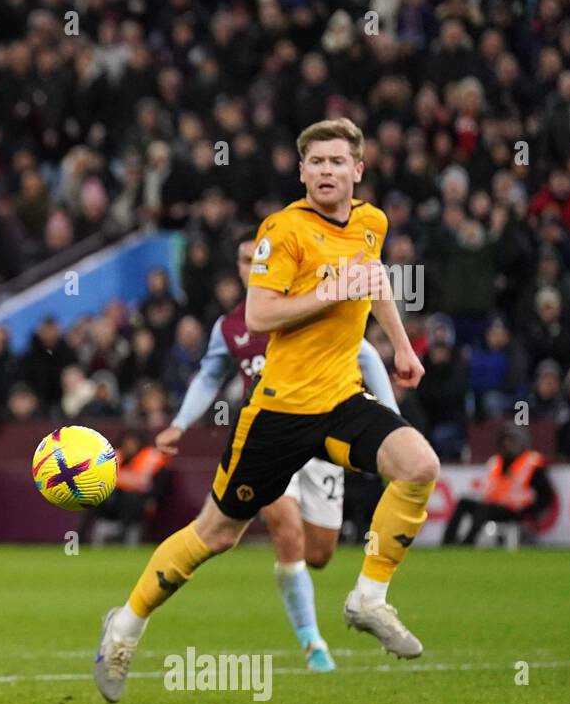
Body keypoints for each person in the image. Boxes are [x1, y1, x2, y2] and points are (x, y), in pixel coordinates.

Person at [95, 118, 440, 703]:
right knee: (216, 534)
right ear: (302, 172)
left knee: (419, 466)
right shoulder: (282, 232)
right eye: (316, 162)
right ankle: (125, 626)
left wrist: (401, 346)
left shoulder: (371, 222)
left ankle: (368, 600)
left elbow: (374, 275)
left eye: (338, 161)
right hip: (279, 414)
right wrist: (327, 294)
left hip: (340, 399)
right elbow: (258, 316)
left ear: (358, 171)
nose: (327, 171)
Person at [156, 231, 400, 671]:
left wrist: (393, 419)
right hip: (268, 438)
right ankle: (314, 645)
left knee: (320, 552)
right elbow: (210, 376)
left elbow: (365, 356)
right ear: (238, 268)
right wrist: (179, 423)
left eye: (258, 258)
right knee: (285, 528)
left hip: (323, 433)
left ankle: (301, 591)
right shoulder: (231, 326)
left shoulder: (307, 308)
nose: (253, 266)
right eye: (245, 259)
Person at [441, 424, 553, 545]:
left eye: (512, 440)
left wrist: (531, 512)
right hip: (494, 504)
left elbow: (546, 495)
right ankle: (447, 542)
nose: (508, 444)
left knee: (484, 509)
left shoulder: (531, 464)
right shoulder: (496, 461)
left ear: (522, 442)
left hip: (515, 510)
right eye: (506, 440)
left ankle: (468, 542)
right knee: (463, 502)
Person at [82, 429, 171, 545]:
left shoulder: (151, 457)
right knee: (94, 497)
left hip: (138, 503)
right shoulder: (113, 457)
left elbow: (159, 485)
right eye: (127, 443)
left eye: (133, 443)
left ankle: (124, 534)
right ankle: (80, 537)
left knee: (130, 497)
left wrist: (152, 499)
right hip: (115, 502)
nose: (130, 446)